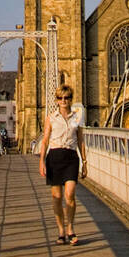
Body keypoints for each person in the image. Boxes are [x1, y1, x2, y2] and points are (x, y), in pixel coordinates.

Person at [38, 84, 87, 245]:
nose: (63, 101)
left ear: (71, 99)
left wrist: (85, 162)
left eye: (66, 98)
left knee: (70, 194)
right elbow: (45, 140)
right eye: (60, 98)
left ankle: (70, 228)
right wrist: (42, 161)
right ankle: (61, 230)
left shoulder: (77, 118)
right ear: (57, 100)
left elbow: (80, 141)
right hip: (55, 157)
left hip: (71, 157)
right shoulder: (51, 118)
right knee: (57, 197)